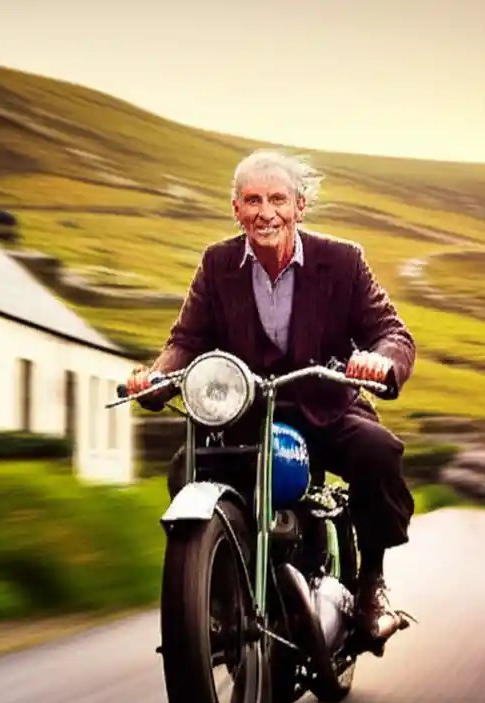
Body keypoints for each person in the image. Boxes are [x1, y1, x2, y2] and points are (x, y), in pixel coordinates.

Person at [126, 148, 418, 645]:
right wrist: (156, 377)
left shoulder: (343, 260)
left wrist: (381, 361)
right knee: (185, 468)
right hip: (244, 415)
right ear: (236, 208)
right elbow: (187, 341)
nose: (267, 212)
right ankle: (217, 593)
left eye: (278, 199)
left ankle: (371, 583)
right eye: (253, 200)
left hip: (326, 407)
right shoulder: (217, 264)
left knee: (378, 453)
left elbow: (392, 332)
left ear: (299, 206)